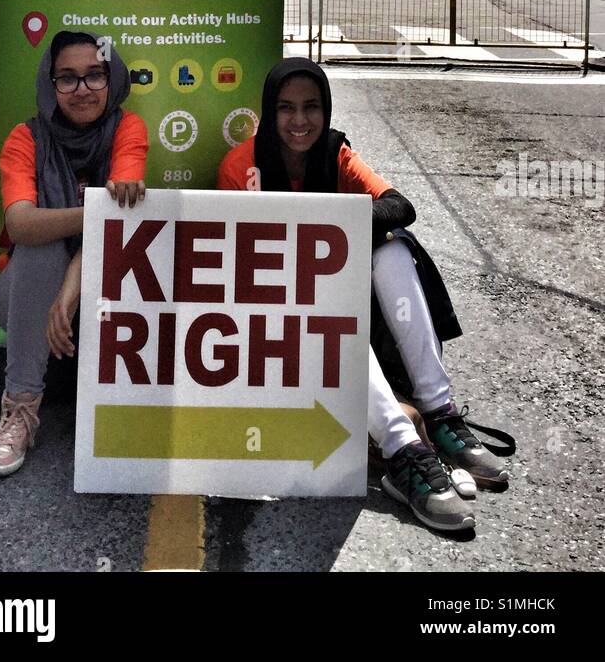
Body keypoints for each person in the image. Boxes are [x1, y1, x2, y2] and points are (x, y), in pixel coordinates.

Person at [217, 59, 508, 533]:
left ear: (326, 110)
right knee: (318, 295)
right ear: (269, 113)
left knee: (392, 249)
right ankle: (402, 451)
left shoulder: (335, 154)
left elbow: (399, 205)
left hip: (344, 307)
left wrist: (329, 228)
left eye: (312, 107)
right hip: (278, 322)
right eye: (286, 108)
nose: (299, 120)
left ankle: (440, 413)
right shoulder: (239, 165)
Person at [0, 31, 149, 478]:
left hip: (97, 294)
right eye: (67, 79)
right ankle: (19, 413)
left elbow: (119, 219)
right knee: (40, 242)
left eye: (95, 76)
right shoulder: (26, 138)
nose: (82, 91)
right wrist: (91, 211)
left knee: (99, 237)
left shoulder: (127, 129)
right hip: (26, 298)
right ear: (49, 85)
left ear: (112, 79)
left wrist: (70, 293)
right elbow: (21, 225)